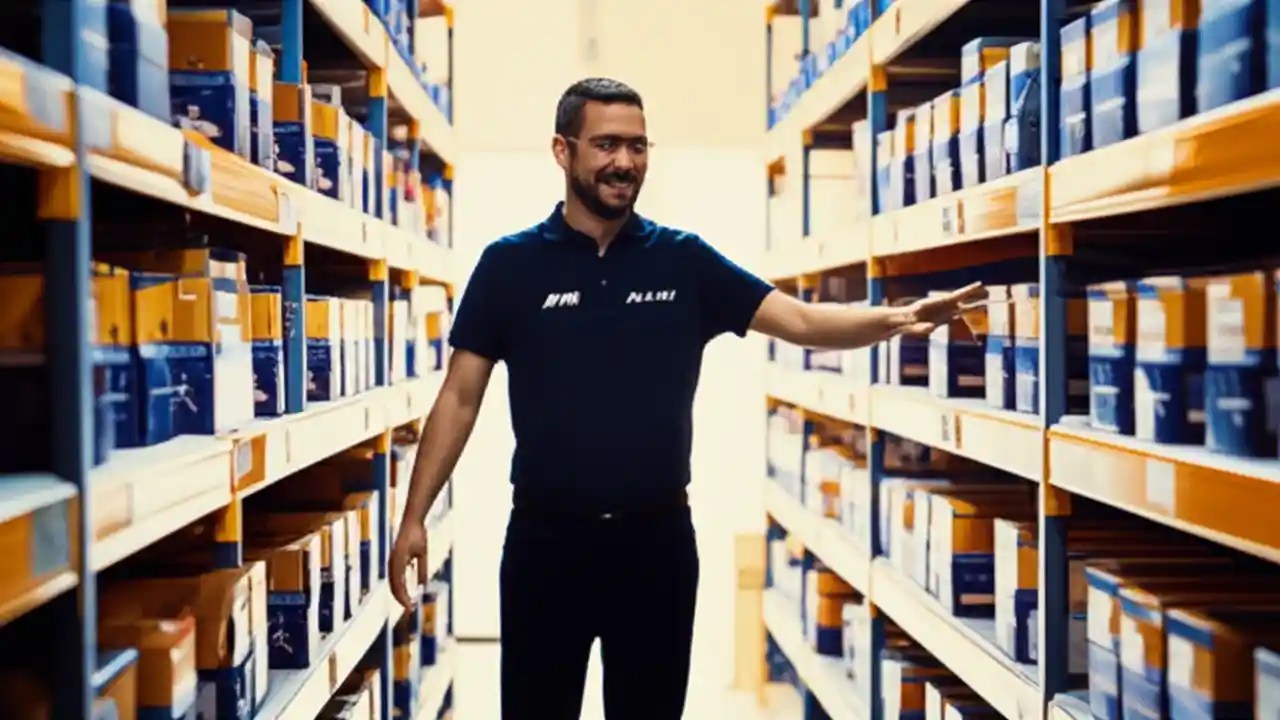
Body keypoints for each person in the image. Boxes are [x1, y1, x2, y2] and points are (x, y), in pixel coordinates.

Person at [388, 77, 984, 719]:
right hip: (544, 545)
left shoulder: (683, 262)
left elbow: (804, 322)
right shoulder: (510, 266)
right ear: (563, 151)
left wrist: (900, 318)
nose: (625, 162)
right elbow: (460, 398)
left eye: (638, 145)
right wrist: (414, 517)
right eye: (606, 144)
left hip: (657, 548)